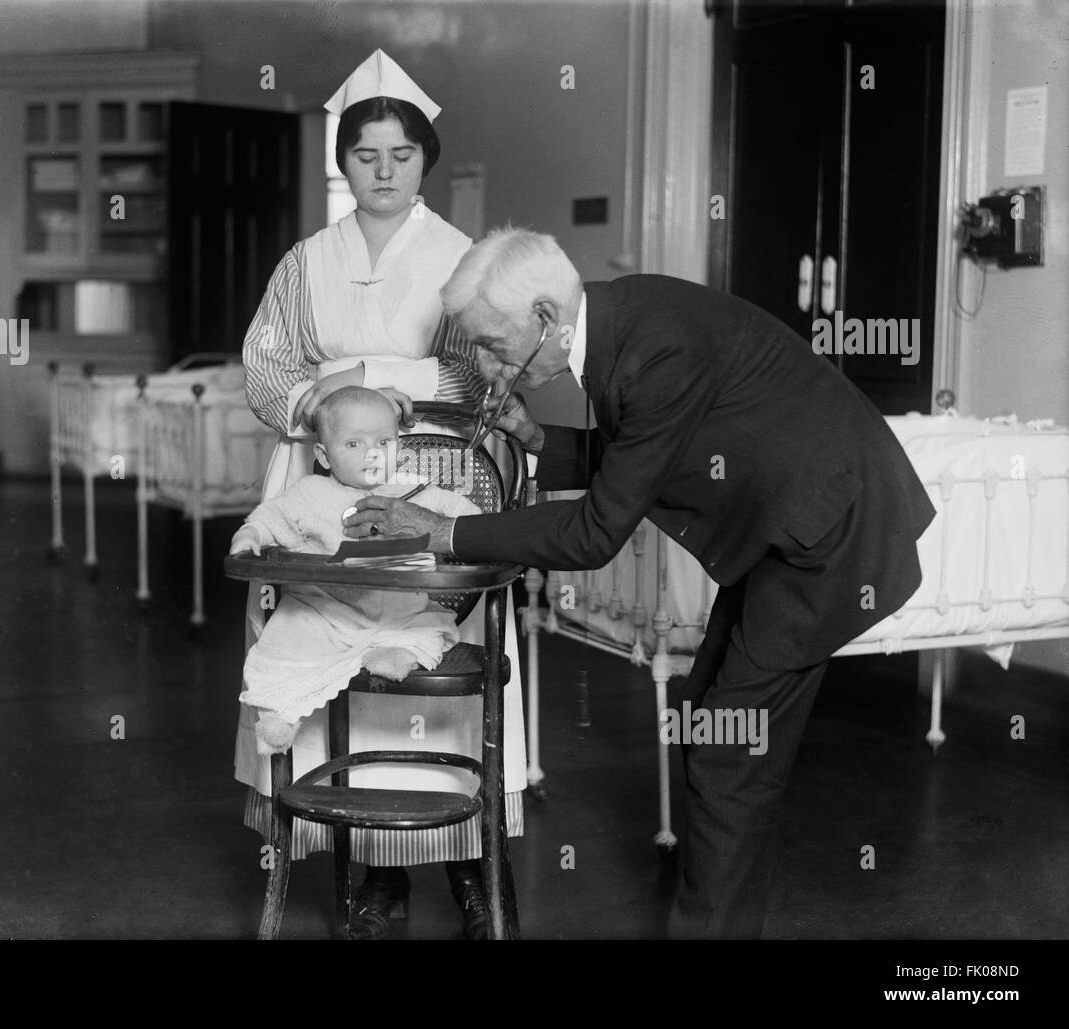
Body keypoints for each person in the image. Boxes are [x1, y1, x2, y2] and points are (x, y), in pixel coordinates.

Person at [346, 227, 937, 939]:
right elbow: (644, 456)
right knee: (713, 725)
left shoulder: (654, 351)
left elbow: (596, 533)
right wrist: (539, 441)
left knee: (726, 752)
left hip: (829, 533)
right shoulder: (622, 321)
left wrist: (443, 531)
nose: (482, 362)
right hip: (785, 525)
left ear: (544, 319)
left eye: (492, 345)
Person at [237, 50, 528, 940]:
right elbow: (266, 361)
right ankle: (371, 872)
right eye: (366, 154)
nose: (384, 170)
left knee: (434, 649)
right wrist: (321, 399)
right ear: (343, 162)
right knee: (328, 645)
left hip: (431, 472)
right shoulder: (306, 260)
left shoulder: (460, 259)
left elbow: (484, 371)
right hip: (321, 474)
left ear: (425, 160)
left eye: (402, 153)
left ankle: (470, 866)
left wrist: (376, 378)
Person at [230, 387, 479, 753]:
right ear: (323, 455)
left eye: (384, 441)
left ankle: (397, 649)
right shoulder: (310, 493)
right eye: (353, 444)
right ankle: (279, 712)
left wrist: (470, 524)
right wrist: (250, 534)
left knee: (427, 624)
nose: (373, 454)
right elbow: (271, 518)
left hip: (396, 609)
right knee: (285, 635)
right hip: (326, 611)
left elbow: (465, 514)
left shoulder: (412, 492)